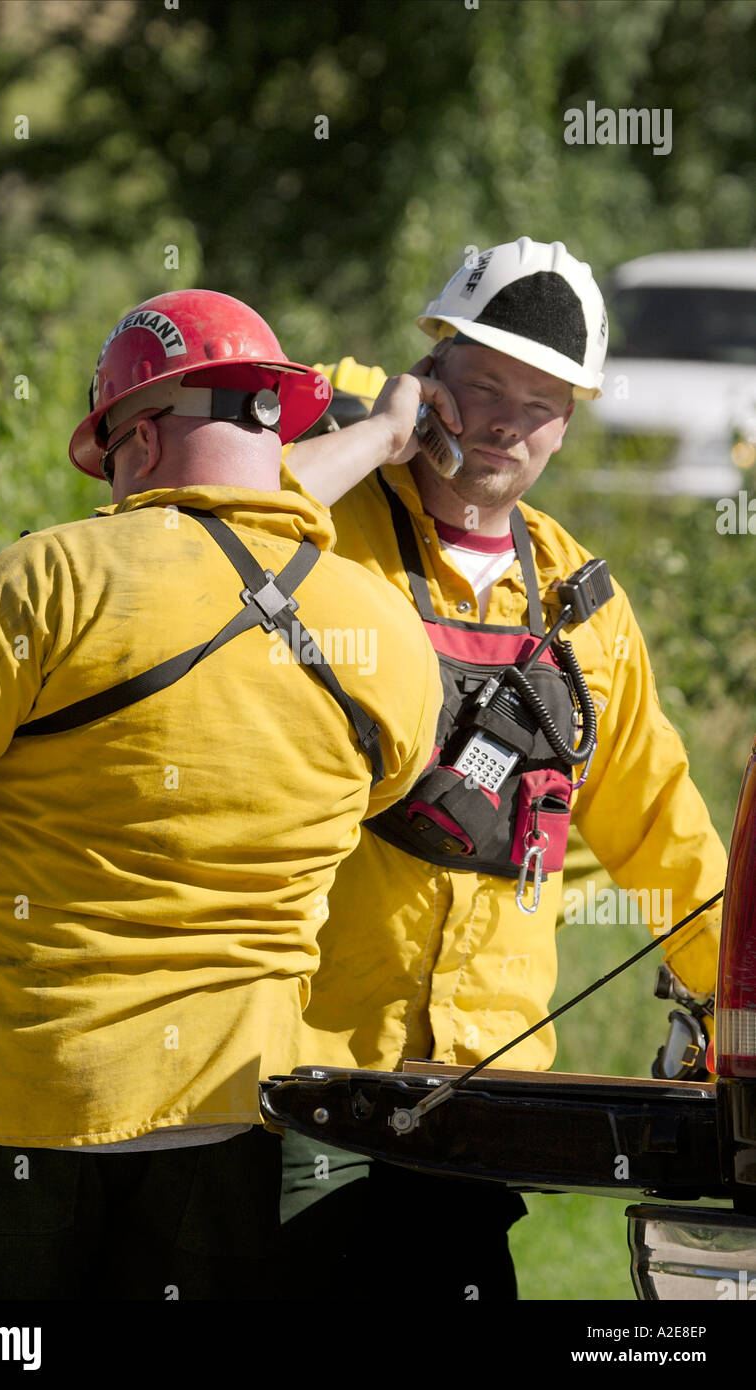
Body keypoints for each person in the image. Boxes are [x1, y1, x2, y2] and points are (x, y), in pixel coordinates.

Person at [0, 289, 441, 1301]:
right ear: (273, 424)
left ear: (135, 443)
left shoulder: (47, 581)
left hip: (10, 1104)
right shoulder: (383, 634)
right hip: (234, 1119)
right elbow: (385, 788)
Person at [279, 237, 727, 1301]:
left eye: (535, 404)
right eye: (477, 386)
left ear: (568, 422)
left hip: (477, 1099)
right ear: (424, 377)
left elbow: (658, 827)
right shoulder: (313, 529)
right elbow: (179, 540)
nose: (498, 425)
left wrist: (736, 996)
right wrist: (360, 421)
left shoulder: (581, 603)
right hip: (296, 1073)